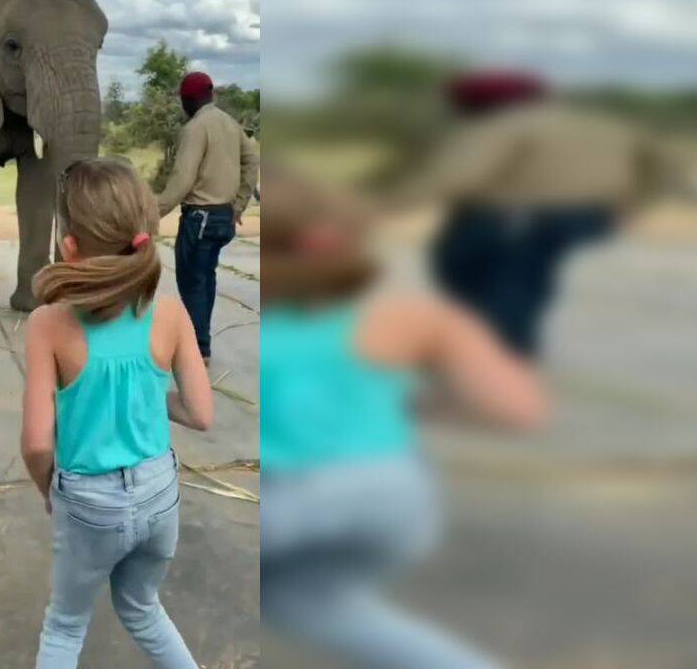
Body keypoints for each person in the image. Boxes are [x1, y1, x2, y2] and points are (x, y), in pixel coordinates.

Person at [260, 184, 547, 669]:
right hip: (398, 498)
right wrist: (409, 401)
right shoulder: (409, 319)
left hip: (297, 496)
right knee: (306, 604)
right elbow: (520, 408)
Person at [21, 158, 214, 669]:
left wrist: (50, 494)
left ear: (69, 247)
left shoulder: (47, 324)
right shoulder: (171, 313)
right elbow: (200, 413)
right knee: (145, 610)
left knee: (64, 627)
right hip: (159, 497)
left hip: (88, 503)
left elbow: (39, 443)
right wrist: (150, 395)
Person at [396, 70, 683, 358]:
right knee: (524, 286)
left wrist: (382, 207)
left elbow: (455, 175)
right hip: (589, 218)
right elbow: (667, 167)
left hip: (511, 219)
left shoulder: (500, 126)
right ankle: (497, 360)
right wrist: (634, 204)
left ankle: (493, 369)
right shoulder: (608, 125)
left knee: (487, 286)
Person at [156, 71, 260, 365]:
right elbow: (252, 161)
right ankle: (201, 344)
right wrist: (239, 203)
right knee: (206, 280)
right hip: (223, 218)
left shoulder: (195, 127)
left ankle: (197, 349)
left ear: (187, 100)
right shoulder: (230, 124)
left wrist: (152, 212)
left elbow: (182, 179)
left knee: (192, 284)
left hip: (199, 219)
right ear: (212, 94)